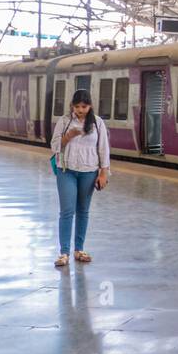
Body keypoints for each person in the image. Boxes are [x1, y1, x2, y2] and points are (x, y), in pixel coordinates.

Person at [50, 89, 111, 267]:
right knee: (67, 211)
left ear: (90, 106)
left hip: (89, 172)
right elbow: (54, 146)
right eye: (77, 107)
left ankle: (79, 249)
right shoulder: (64, 122)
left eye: (84, 106)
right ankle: (63, 253)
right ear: (72, 106)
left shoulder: (98, 123)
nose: (80, 110)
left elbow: (103, 149)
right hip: (66, 170)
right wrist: (67, 137)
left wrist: (104, 173)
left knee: (83, 211)